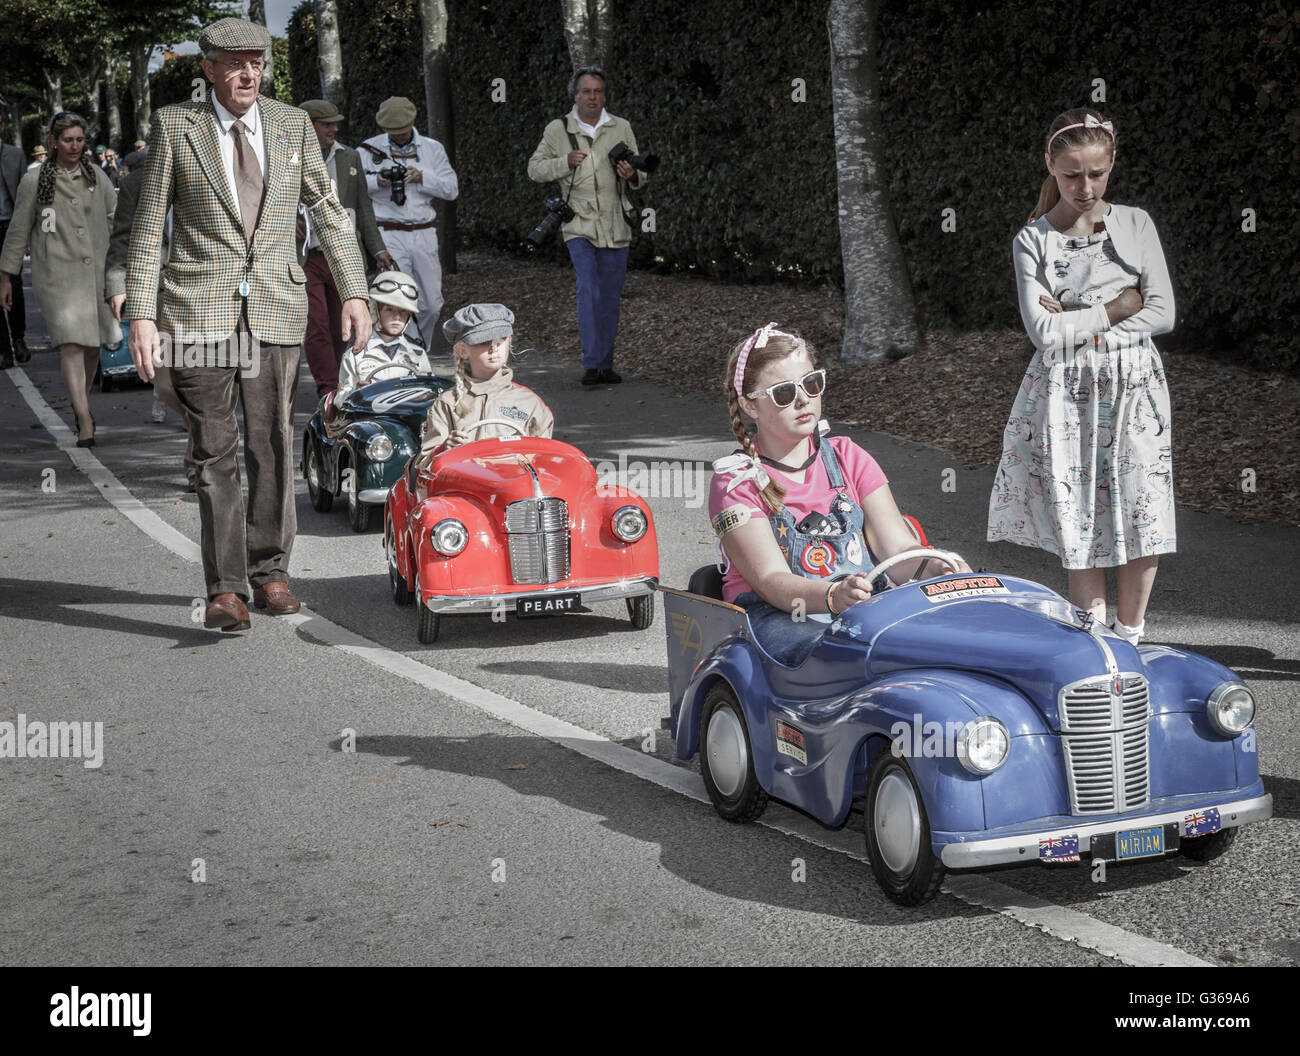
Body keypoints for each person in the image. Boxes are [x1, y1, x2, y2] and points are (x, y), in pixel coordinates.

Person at [124, 16, 371, 632]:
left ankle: (272, 574)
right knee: (215, 451)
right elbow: (150, 227)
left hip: (276, 308)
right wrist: (143, 313)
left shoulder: (291, 126)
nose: (247, 73)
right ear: (206, 67)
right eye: (233, 62)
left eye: (256, 62)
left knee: (273, 445)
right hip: (198, 313)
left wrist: (354, 291)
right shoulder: (178, 126)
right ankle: (225, 589)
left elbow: (329, 211)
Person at [986, 108, 1176, 646]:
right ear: (1050, 165)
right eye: (1071, 175)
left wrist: (1079, 318)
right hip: (1066, 391)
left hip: (1135, 384)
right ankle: (1093, 642)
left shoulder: (1136, 224)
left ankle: (1131, 635)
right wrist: (1117, 308)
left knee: (1142, 501)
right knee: (1079, 507)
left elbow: (1162, 313)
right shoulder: (1034, 239)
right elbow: (1043, 332)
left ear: (1112, 163)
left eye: (1096, 173)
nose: (1085, 187)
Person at [709, 324, 970, 666]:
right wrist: (832, 596)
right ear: (750, 405)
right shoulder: (736, 481)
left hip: (862, 607)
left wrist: (936, 568)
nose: (803, 399)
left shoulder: (849, 456)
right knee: (838, 655)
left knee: (943, 639)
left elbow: (897, 548)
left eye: (811, 383)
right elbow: (771, 581)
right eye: (783, 393)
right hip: (777, 616)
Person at [0, 112, 117, 443]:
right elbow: (18, 230)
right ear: (53, 142)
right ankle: (83, 417)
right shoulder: (34, 181)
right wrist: (6, 276)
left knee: (93, 347)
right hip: (56, 277)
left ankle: (83, 405)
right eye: (68, 140)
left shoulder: (97, 177)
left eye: (80, 139)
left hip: (97, 274)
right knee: (71, 345)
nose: (75, 146)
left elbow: (116, 216)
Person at [527, 66, 647, 387]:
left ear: (604, 95)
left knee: (610, 297)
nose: (592, 97)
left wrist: (631, 175)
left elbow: (640, 173)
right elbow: (534, 169)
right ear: (575, 95)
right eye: (586, 91)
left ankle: (606, 364)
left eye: (598, 92)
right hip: (578, 224)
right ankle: (592, 364)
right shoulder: (558, 129)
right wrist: (564, 162)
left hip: (617, 224)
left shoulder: (621, 126)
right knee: (589, 289)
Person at [297, 98, 394, 397]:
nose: (334, 128)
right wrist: (289, 222)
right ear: (308, 125)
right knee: (316, 327)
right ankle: (327, 390)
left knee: (344, 327)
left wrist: (378, 249)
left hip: (342, 256)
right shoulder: (288, 155)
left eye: (335, 123)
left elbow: (363, 207)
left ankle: (343, 385)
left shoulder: (349, 157)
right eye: (326, 123)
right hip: (305, 256)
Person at [104, 159, 196, 474]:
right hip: (155, 291)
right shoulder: (135, 184)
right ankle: (200, 431)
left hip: (202, 291)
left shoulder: (207, 173)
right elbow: (121, 239)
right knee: (166, 383)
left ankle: (201, 458)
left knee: (203, 381)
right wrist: (117, 285)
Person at [359, 96, 457, 349]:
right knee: (397, 298)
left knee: (432, 304)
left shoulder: (432, 148)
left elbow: (451, 189)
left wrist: (423, 177)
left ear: (413, 122)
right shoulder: (368, 150)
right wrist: (376, 182)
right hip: (389, 231)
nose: (399, 136)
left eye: (402, 131)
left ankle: (418, 348)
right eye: (393, 132)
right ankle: (405, 354)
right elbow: (355, 189)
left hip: (423, 232)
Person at [414, 303, 552, 469]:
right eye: (483, 341)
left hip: (516, 489)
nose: (494, 348)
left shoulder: (530, 402)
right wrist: (445, 449)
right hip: (465, 489)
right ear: (462, 350)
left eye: (501, 339)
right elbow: (424, 466)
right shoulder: (448, 403)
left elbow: (546, 460)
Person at [334, 271, 432, 406]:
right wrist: (356, 393)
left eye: (403, 311)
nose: (397, 317)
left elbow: (431, 391)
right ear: (374, 309)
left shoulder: (417, 354)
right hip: (371, 421)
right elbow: (339, 400)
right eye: (389, 309)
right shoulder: (355, 355)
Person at [0, 112, 31, 369]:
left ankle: (18, 337)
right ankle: (3, 348)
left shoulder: (15, 155)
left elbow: (26, 194)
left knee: (15, 284)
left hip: (11, 226)